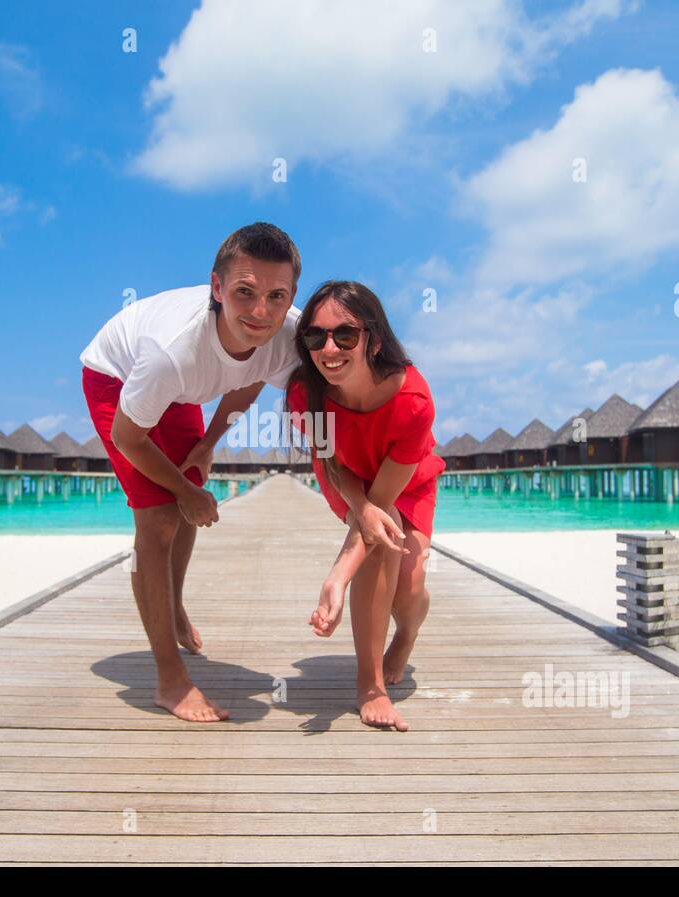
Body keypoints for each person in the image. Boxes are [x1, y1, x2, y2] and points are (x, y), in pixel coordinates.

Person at [80, 222, 303, 722]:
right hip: (118, 379)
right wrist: (182, 489)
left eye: (276, 296)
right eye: (245, 293)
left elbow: (255, 376)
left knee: (189, 492)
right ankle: (169, 680)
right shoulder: (172, 353)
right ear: (217, 287)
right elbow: (128, 438)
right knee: (160, 518)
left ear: (291, 296)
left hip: (180, 391)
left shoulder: (286, 331)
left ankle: (173, 605)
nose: (261, 311)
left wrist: (206, 447)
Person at [286, 281, 445, 732]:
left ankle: (407, 634)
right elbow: (335, 465)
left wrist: (337, 577)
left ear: (372, 338)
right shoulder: (305, 394)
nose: (329, 348)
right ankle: (369, 684)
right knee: (381, 531)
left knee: (409, 588)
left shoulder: (413, 401)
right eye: (315, 337)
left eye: (345, 335)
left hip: (406, 482)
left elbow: (385, 500)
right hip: (347, 476)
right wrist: (358, 504)